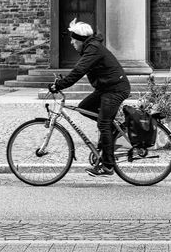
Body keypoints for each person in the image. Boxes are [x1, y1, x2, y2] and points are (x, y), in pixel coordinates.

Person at [50, 18, 132, 177]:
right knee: (84, 108)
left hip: (115, 89)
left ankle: (107, 167)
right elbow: (79, 70)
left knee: (103, 122)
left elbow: (79, 71)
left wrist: (60, 85)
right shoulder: (90, 48)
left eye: (73, 40)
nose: (72, 43)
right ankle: (112, 133)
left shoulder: (93, 49)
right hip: (106, 88)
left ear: (81, 40)